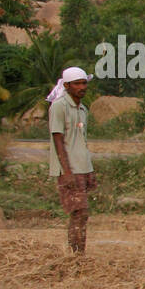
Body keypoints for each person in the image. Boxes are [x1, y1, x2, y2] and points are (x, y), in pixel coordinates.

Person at [46, 66, 96, 253]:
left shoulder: (82, 109)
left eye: (84, 83)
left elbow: (81, 142)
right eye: (77, 83)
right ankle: (76, 254)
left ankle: (78, 254)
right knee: (79, 212)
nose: (82, 87)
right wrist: (67, 172)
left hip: (82, 167)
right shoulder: (59, 106)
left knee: (81, 215)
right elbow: (58, 141)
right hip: (68, 169)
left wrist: (89, 169)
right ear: (66, 85)